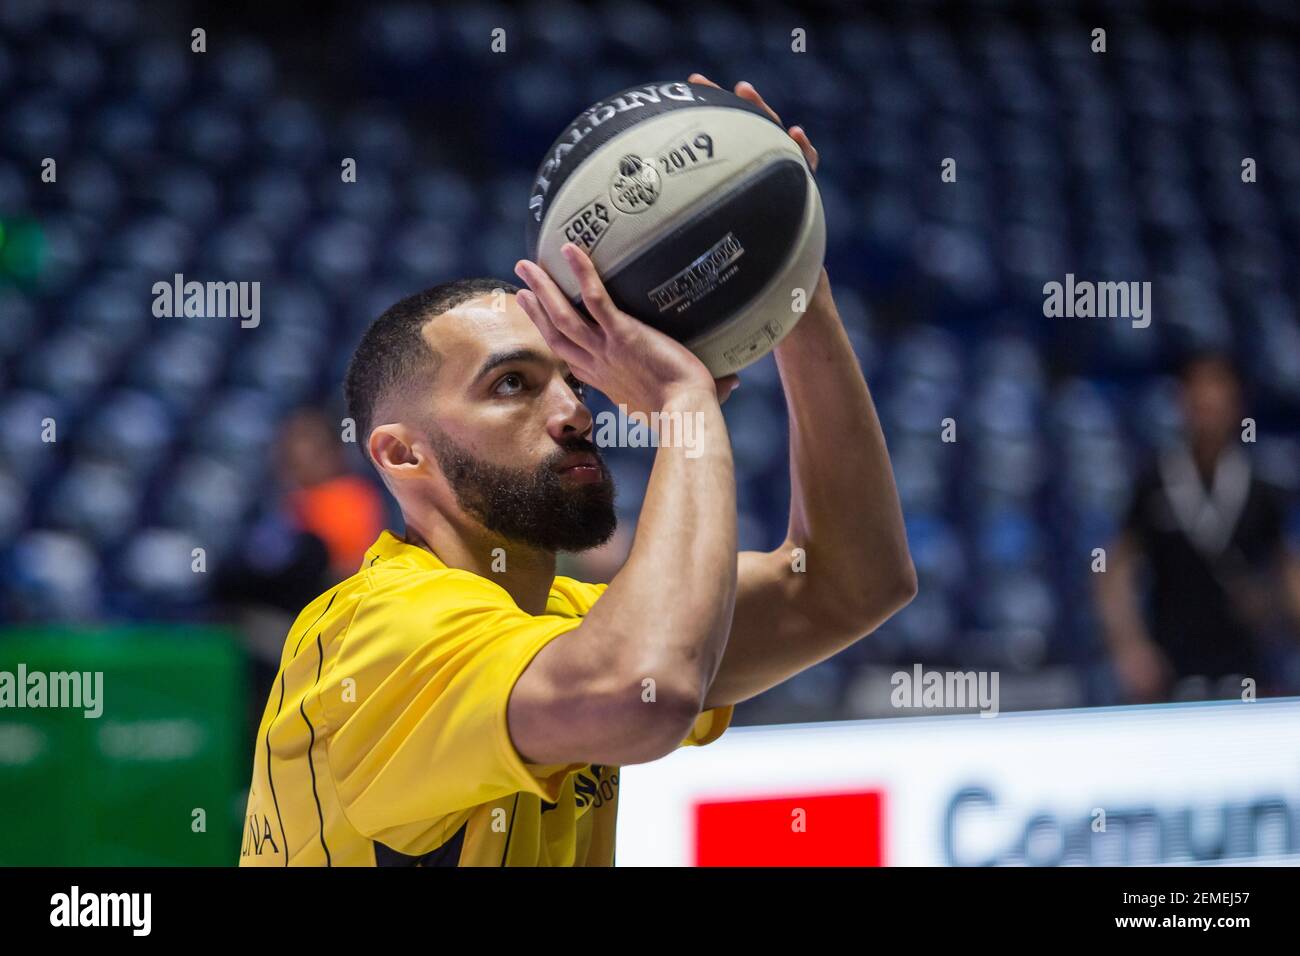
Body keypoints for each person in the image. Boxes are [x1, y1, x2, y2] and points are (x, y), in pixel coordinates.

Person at [239, 76, 915, 867]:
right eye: (512, 385)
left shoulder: (562, 621)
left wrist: (792, 280)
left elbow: (852, 582)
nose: (573, 411)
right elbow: (643, 693)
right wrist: (685, 407)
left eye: (573, 380)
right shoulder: (378, 632)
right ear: (401, 453)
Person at [1097, 351, 1300, 703]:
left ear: (1237, 405)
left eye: (1218, 395)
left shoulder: (1261, 488)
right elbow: (1115, 570)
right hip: (1173, 669)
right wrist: (1130, 646)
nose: (1209, 407)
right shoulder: (1155, 482)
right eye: (1199, 395)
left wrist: (1272, 607)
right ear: (1183, 402)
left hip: (1246, 668)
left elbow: (1287, 574)